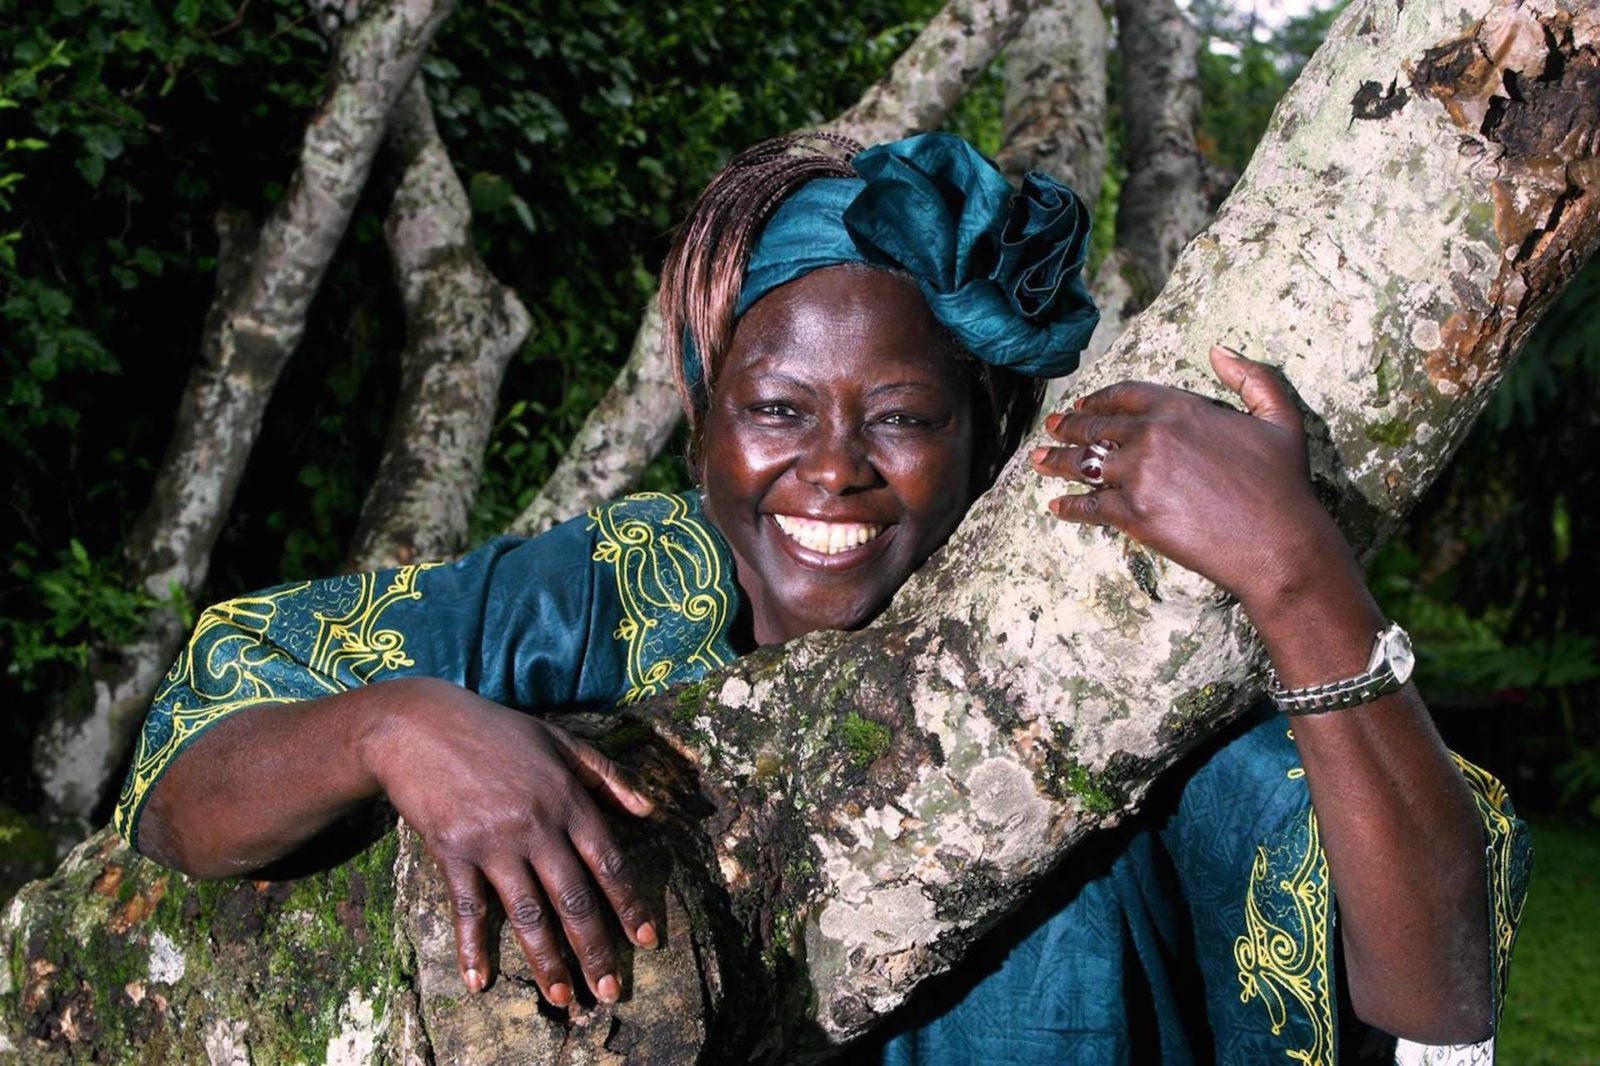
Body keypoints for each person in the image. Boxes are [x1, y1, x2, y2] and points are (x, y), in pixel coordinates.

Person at [115, 132, 1529, 1063]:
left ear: (985, 426)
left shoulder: (1091, 661)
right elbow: (183, 795)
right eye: (777, 406)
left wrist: (1296, 574)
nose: (832, 471)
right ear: (706, 414)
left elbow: (1434, 999)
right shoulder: (617, 591)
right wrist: (395, 723)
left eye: (902, 417)